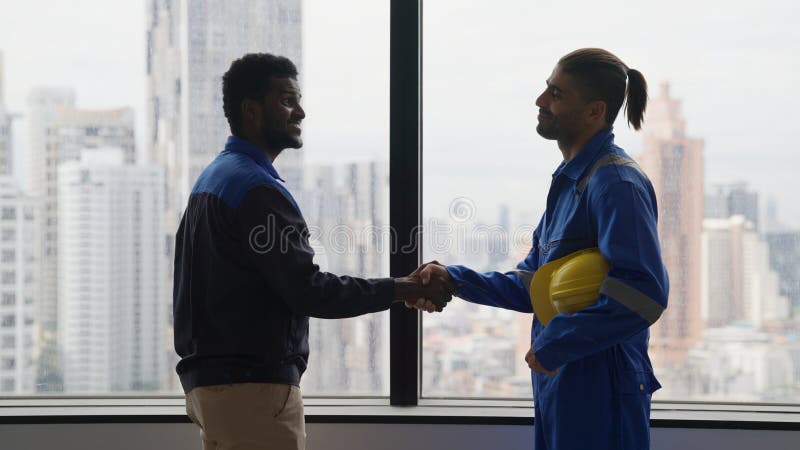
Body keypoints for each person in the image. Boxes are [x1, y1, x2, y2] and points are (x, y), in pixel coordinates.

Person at [173, 53, 452, 450]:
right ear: (251, 111)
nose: (300, 112)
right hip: (252, 391)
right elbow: (310, 290)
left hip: (215, 389)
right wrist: (402, 288)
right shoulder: (256, 190)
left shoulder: (214, 179)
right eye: (287, 100)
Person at [419, 48, 669, 449]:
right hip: (564, 381)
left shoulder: (616, 184)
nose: (541, 101)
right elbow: (534, 284)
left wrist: (558, 343)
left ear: (594, 112)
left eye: (556, 93)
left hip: (601, 384)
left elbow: (643, 292)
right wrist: (455, 279)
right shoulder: (572, 183)